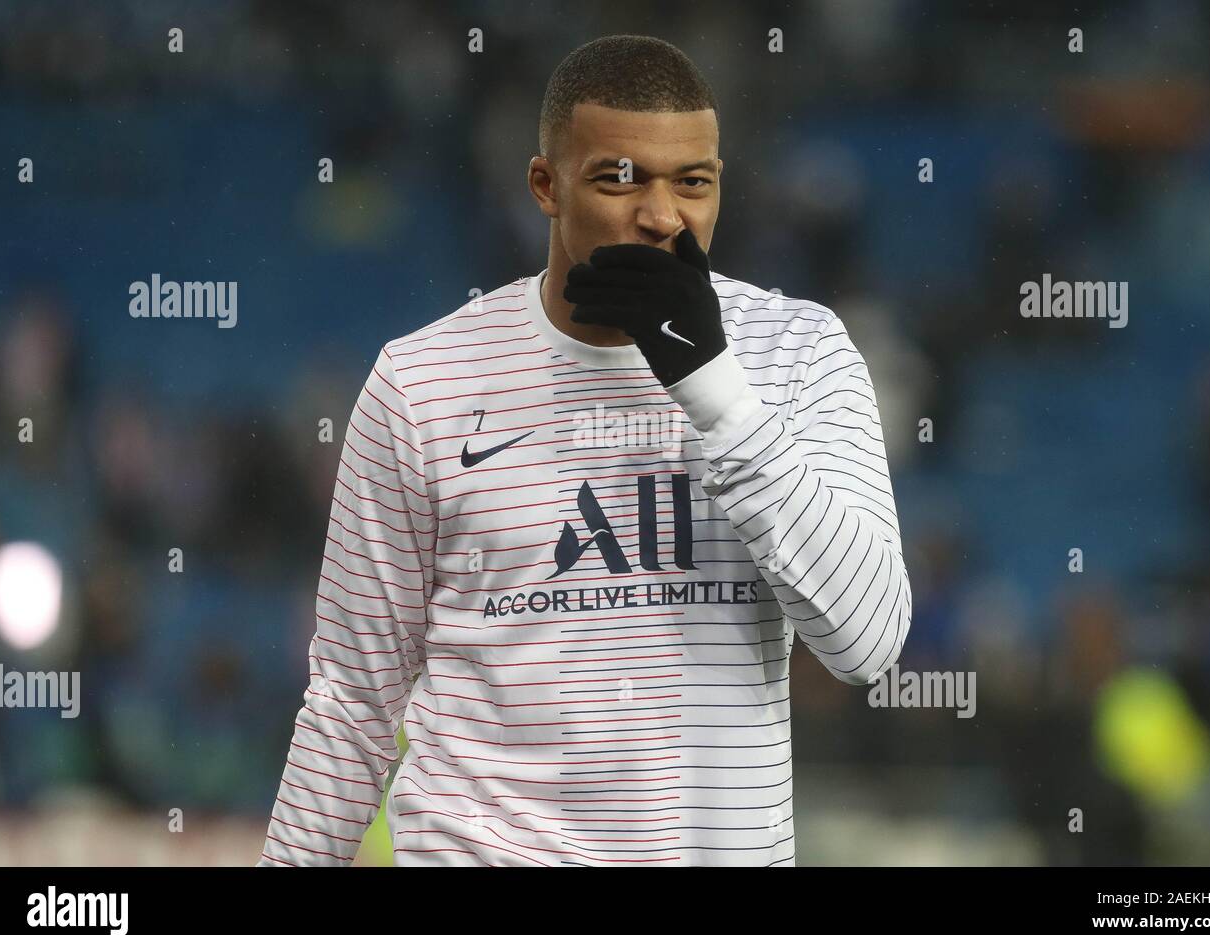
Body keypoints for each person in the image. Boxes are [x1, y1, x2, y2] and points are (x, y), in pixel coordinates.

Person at [258, 33, 910, 867]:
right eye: (619, 178)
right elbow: (351, 701)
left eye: (693, 183)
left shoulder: (798, 355)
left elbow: (867, 643)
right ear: (545, 186)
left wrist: (714, 388)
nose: (662, 215)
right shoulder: (421, 382)